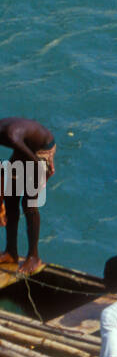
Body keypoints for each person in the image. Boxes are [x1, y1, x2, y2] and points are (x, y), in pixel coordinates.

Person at [0, 115, 56, 274]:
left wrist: (47, 170)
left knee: (29, 202)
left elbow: (36, 164)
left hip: (41, 149)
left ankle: (34, 257)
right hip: (25, 147)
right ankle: (11, 252)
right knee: (11, 198)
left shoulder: (12, 136)